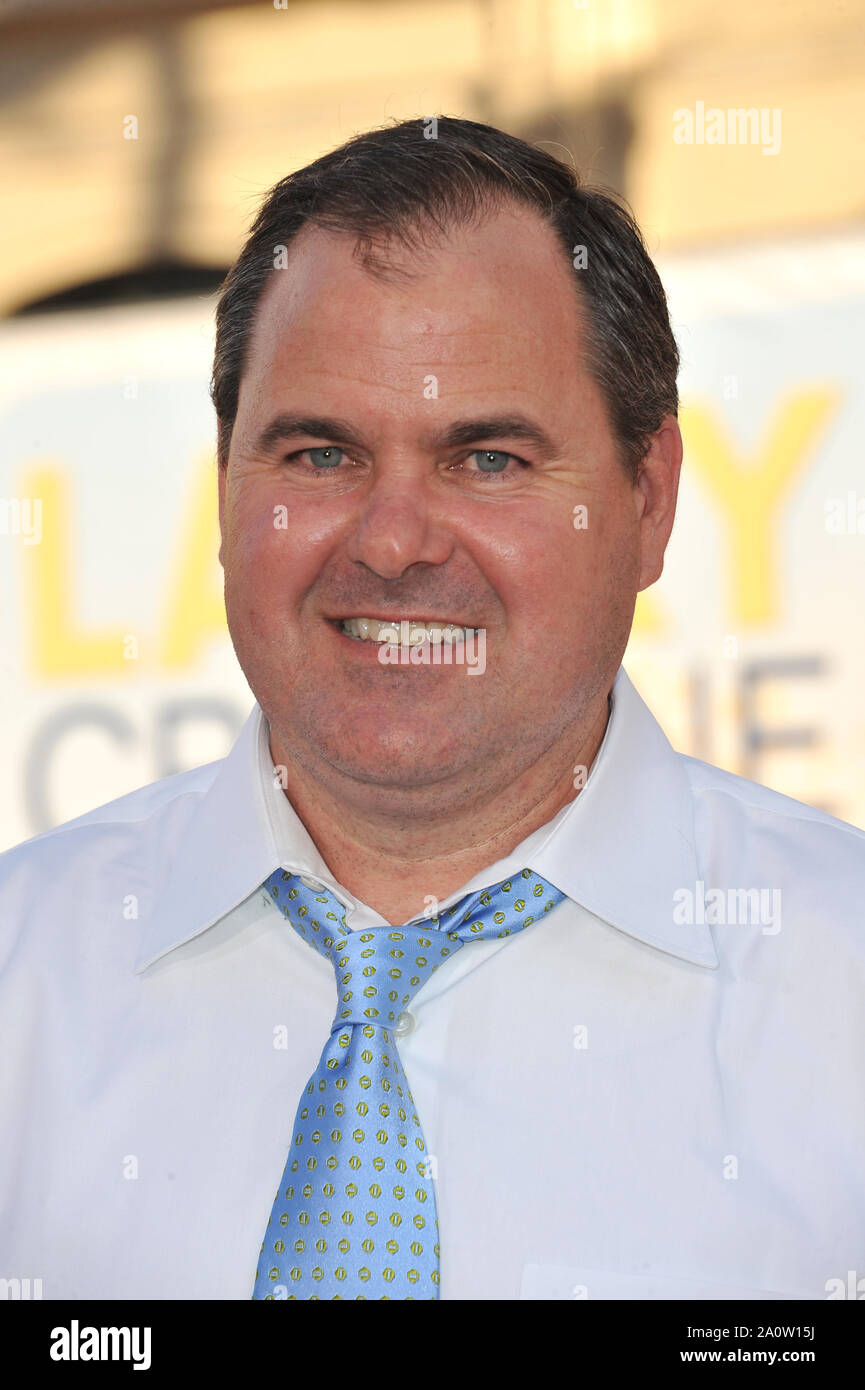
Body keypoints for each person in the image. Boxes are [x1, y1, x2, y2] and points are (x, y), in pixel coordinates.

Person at [1, 116, 863, 1303]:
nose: (395, 542)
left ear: (648, 500)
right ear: (222, 485)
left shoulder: (841, 998)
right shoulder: (22, 983)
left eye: (488, 459)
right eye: (318, 455)